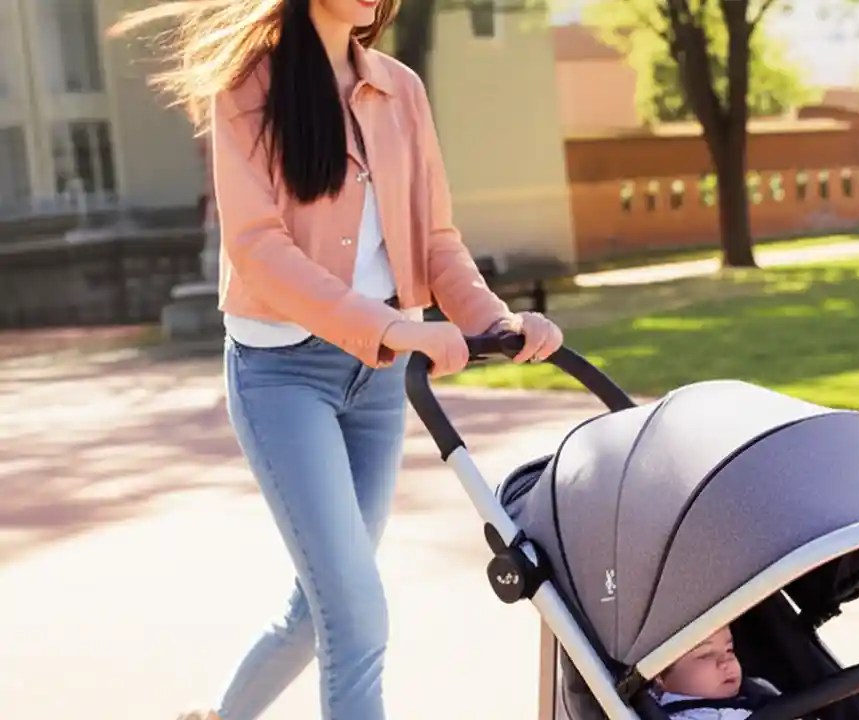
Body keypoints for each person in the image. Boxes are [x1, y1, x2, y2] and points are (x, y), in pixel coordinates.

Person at [109, 1, 564, 718]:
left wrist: (496, 323)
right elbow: (258, 250)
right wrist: (393, 328)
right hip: (282, 376)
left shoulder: (400, 88)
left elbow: (436, 238)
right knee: (355, 615)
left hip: (377, 379)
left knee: (317, 605)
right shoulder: (247, 85)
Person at [651, 627, 781, 720]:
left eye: (729, 650)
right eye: (706, 655)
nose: (726, 661)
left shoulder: (760, 688)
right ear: (659, 673)